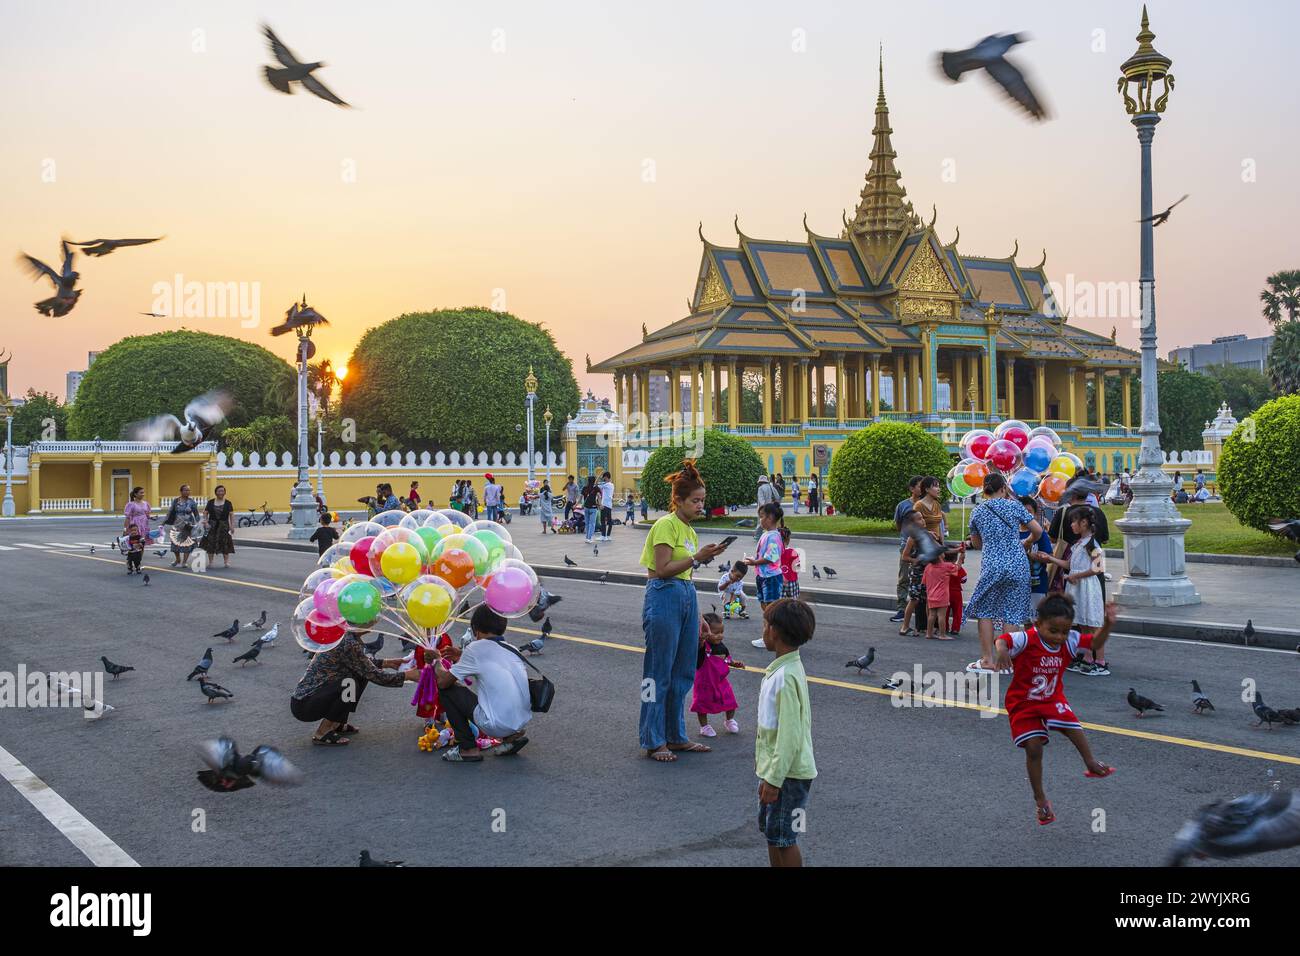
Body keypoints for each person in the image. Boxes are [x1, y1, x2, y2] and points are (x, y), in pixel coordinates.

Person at [993, 595, 1117, 825]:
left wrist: (1108, 624)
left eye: (1065, 631)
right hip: (1023, 702)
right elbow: (1003, 640)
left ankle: (1090, 762)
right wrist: (1001, 651)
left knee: (1072, 727)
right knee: (1034, 748)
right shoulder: (1026, 638)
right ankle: (1041, 801)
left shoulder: (1069, 641)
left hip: (1051, 697)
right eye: (1053, 630)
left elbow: (1095, 643)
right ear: (1038, 623)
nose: (1059, 637)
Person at [638, 459, 730, 762]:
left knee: (682, 673)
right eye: (695, 500)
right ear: (678, 500)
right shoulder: (666, 525)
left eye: (703, 500)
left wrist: (700, 616)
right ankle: (653, 739)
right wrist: (697, 558)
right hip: (663, 595)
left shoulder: (689, 531)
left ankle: (676, 735)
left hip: (685, 596)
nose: (701, 505)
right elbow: (662, 569)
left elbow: (686, 576)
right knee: (658, 672)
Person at [756, 598, 817, 868]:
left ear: (775, 632)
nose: (763, 630)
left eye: (764, 625)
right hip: (778, 771)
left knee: (784, 838)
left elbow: (789, 735)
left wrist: (774, 780)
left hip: (788, 775)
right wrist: (768, 774)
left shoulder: (785, 676)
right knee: (773, 834)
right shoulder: (785, 668)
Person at [432, 605, 533, 762]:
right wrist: (461, 655)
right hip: (520, 720)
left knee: (448, 690)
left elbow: (444, 682)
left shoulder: (476, 648)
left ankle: (467, 748)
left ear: (475, 629)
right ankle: (510, 737)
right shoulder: (512, 649)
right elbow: (489, 662)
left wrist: (436, 660)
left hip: (495, 725)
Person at [964, 473, 1041, 674]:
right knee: (1012, 612)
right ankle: (1006, 662)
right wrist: (1027, 542)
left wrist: (990, 543)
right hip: (1017, 563)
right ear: (1004, 488)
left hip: (992, 565)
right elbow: (1038, 531)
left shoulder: (977, 512)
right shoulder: (1014, 506)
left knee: (985, 611)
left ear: (984, 489)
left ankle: (988, 660)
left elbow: (976, 543)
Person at [290, 628, 419, 745]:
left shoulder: (346, 636)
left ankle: (337, 723)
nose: (373, 622)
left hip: (311, 698)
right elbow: (376, 676)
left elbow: (360, 664)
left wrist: (388, 663)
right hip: (305, 705)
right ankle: (322, 732)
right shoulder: (348, 642)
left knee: (358, 676)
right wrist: (407, 675)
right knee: (350, 684)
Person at [692, 611, 745, 738]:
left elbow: (727, 659)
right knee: (702, 704)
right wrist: (702, 637)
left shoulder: (721, 647)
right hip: (704, 682)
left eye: (721, 632)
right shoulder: (702, 646)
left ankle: (729, 720)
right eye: (716, 633)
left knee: (730, 701)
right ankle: (704, 727)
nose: (719, 636)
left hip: (721, 681)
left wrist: (734, 663)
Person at [746, 503, 785, 648]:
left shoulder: (773, 536)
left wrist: (755, 562)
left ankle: (770, 637)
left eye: (761, 517)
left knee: (770, 609)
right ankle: (771, 635)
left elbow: (772, 557)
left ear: (769, 518)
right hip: (763, 576)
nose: (760, 520)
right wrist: (755, 561)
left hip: (771, 577)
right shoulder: (766, 534)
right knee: (765, 607)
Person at [1064, 510, 1106, 642]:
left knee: (1092, 623)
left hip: (1088, 586)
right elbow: (1070, 565)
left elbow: (1098, 568)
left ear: (1083, 523)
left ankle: (1099, 659)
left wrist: (1076, 576)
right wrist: (1050, 559)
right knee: (1083, 623)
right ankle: (1087, 656)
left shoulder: (1092, 544)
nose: (1071, 525)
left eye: (1073, 521)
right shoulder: (1080, 543)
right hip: (1079, 587)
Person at [890, 476, 923, 623]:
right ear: (912, 489)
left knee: (922, 578)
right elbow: (898, 525)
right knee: (904, 577)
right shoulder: (902, 505)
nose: (922, 489)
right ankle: (901, 609)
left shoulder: (928, 504)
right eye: (919, 486)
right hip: (906, 545)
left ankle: (921, 610)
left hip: (923, 546)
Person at [897, 511, 930, 636]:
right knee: (914, 600)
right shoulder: (912, 538)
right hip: (917, 573)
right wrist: (915, 560)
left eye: (923, 518)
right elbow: (905, 556)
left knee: (927, 599)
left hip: (927, 573)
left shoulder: (925, 534)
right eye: (919, 519)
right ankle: (904, 627)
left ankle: (928, 628)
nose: (923, 520)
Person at [922, 548, 962, 641]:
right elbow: (957, 568)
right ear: (940, 557)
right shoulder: (946, 566)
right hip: (942, 595)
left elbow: (924, 582)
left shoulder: (928, 567)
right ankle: (942, 634)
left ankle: (929, 633)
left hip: (930, 595)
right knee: (941, 616)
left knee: (931, 615)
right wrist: (961, 558)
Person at [163, 484, 200, 568]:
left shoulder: (192, 502)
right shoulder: (176, 501)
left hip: (188, 524)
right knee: (175, 542)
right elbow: (170, 512)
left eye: (189, 490)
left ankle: (184, 561)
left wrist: (199, 524)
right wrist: (163, 522)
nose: (188, 492)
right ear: (181, 491)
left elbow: (196, 514)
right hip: (177, 524)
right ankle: (177, 559)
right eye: (185, 490)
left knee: (187, 543)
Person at [200, 484, 236, 569]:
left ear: (225, 492)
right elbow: (205, 513)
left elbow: (231, 515)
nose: (221, 493)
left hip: (224, 526)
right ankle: (211, 562)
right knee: (210, 543)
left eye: (222, 491)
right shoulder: (211, 502)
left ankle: (226, 562)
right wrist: (206, 522)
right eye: (219, 491)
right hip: (211, 525)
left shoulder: (228, 503)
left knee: (225, 543)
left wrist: (232, 526)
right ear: (215, 492)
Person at [123, 486, 151, 577]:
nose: (143, 494)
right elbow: (127, 518)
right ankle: (131, 563)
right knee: (133, 545)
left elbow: (147, 515)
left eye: (143, 492)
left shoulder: (146, 503)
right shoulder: (131, 504)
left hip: (144, 526)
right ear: (135, 494)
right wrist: (126, 530)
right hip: (134, 527)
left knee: (142, 545)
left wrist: (153, 518)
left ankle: (138, 563)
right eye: (141, 492)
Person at [943, 545, 968, 637]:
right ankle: (955, 628)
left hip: (945, 592)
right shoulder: (957, 568)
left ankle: (944, 626)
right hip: (956, 592)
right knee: (957, 612)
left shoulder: (943, 568)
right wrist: (961, 559)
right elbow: (964, 579)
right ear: (955, 559)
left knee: (945, 611)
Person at [778, 526, 800, 600]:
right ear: (788, 540)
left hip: (779, 581)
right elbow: (797, 568)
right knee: (792, 603)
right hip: (792, 581)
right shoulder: (793, 552)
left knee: (779, 603)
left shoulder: (775, 552)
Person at [581, 475, 600, 543]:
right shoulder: (596, 488)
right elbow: (599, 496)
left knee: (587, 523)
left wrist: (576, 505)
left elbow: (580, 497)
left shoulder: (584, 488)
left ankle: (587, 537)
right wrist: (599, 504)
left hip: (586, 507)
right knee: (592, 523)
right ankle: (589, 538)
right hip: (593, 507)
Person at [598, 471, 615, 540]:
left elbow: (595, 484)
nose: (603, 479)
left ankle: (603, 536)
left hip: (604, 505)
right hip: (609, 505)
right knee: (609, 521)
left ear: (606, 477)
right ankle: (608, 536)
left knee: (602, 521)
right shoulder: (612, 485)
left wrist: (599, 475)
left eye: (604, 477)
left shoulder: (606, 485)